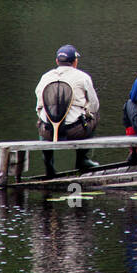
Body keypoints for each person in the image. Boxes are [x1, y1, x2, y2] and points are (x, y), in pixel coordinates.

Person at [35, 44, 101, 177]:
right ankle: (82, 159)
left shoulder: (45, 77)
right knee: (95, 115)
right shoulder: (83, 77)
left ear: (57, 61)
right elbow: (94, 105)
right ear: (75, 62)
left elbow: (39, 107)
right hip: (75, 131)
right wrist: (86, 111)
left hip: (47, 131)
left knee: (41, 120)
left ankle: (48, 163)